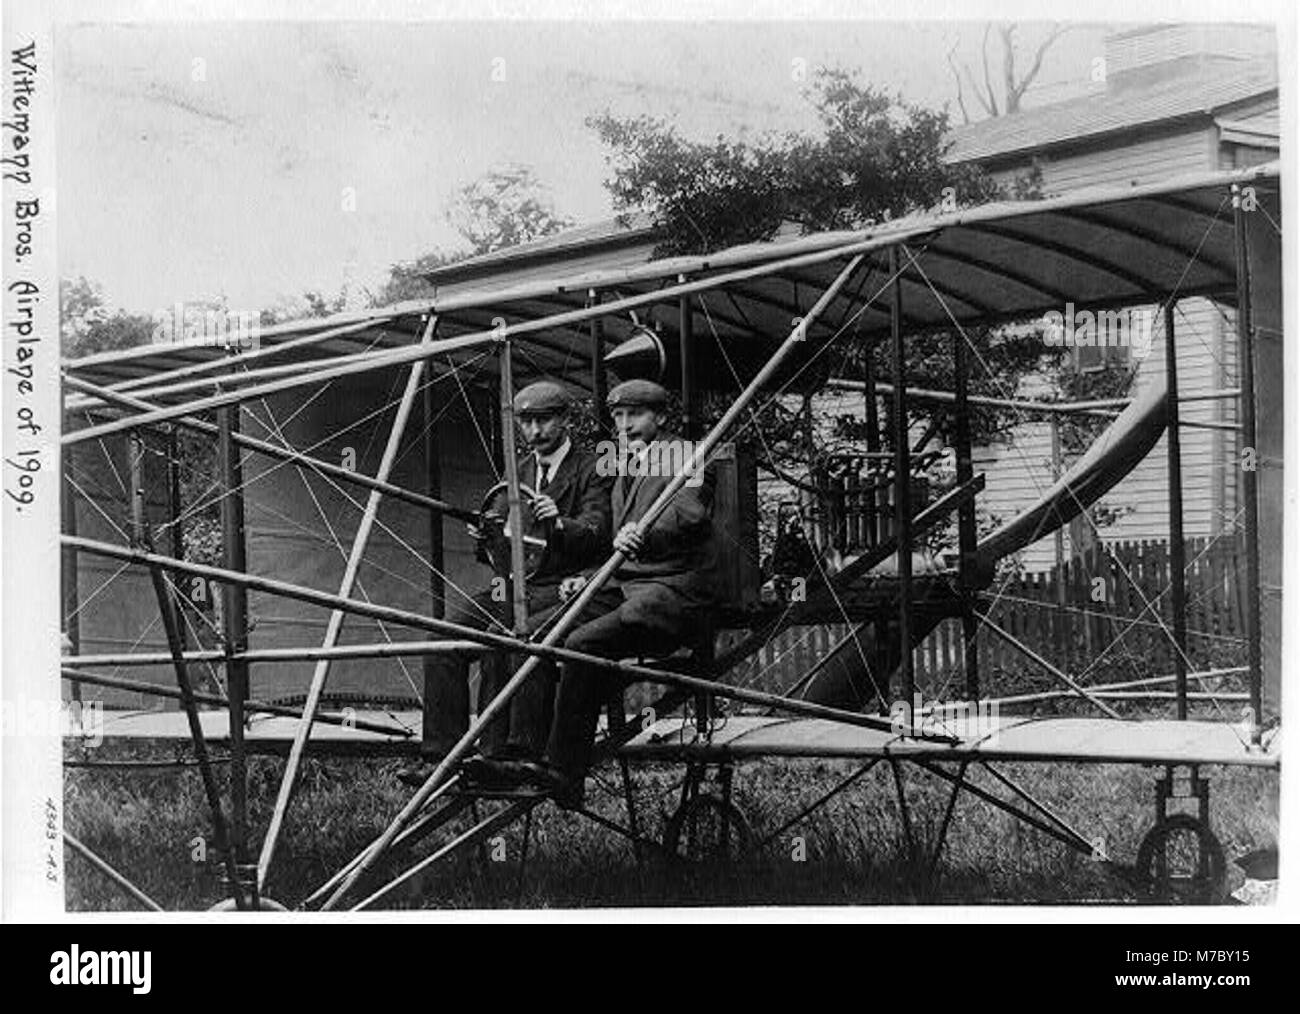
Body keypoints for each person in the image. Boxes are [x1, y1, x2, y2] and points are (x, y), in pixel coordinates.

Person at [482, 379, 718, 804]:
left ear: (661, 417)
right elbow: (610, 539)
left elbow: (688, 513)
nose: (625, 425)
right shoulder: (624, 462)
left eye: (636, 415)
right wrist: (590, 575)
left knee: (580, 643)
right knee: (529, 635)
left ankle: (564, 772)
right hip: (621, 586)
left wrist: (645, 533)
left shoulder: (685, 455)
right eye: (619, 416)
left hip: (671, 594)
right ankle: (519, 755)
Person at [397, 380, 611, 788]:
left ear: (565, 420)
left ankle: (508, 755)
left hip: (560, 585)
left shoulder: (591, 469)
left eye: (543, 420)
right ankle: (441, 756)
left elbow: (598, 532)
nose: (534, 431)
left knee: (507, 638)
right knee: (442, 638)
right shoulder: (519, 472)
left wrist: (559, 523)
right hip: (512, 586)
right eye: (526, 422)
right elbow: (501, 540)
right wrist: (484, 538)